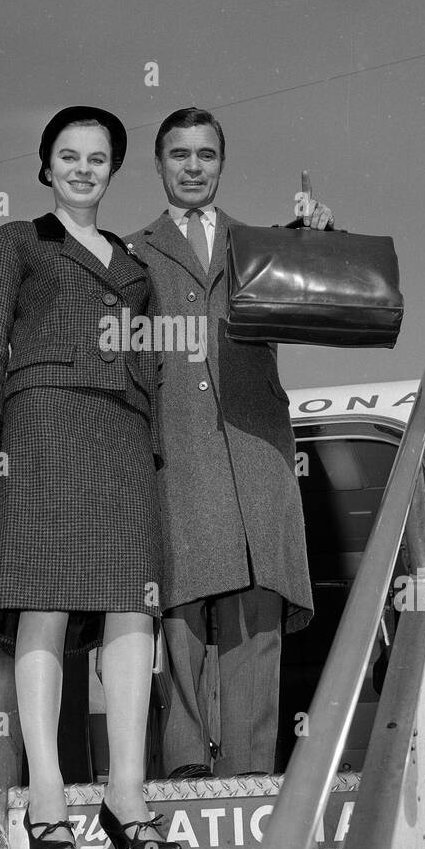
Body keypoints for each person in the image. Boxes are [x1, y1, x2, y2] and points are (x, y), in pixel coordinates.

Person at [0, 106, 180, 849]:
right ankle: (47, 797)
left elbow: (153, 356)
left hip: (123, 432)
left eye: (97, 158)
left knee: (131, 609)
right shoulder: (17, 242)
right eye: (69, 155)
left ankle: (126, 794)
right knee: (43, 600)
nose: (83, 168)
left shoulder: (135, 263)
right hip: (45, 425)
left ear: (111, 170)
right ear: (46, 167)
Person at [125, 107, 334, 780]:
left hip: (253, 449)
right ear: (158, 164)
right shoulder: (127, 254)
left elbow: (323, 306)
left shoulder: (262, 244)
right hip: (174, 449)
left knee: (255, 608)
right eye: (179, 154)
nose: (192, 167)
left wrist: (316, 243)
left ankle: (248, 769)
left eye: (205, 155)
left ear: (221, 163)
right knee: (179, 609)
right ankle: (185, 766)